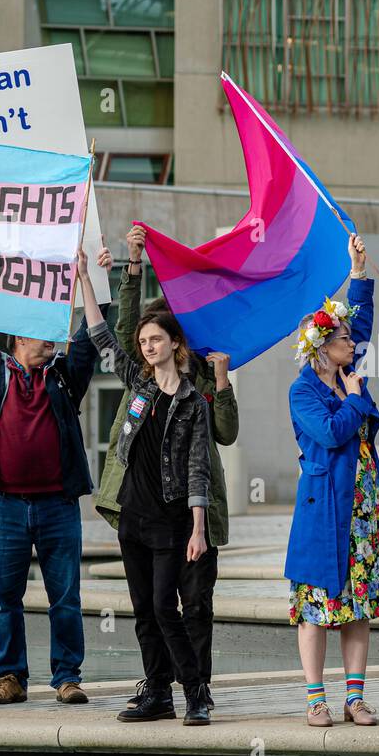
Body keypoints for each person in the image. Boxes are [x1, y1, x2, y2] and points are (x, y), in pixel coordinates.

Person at [0, 266, 105, 705]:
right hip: (5, 507)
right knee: (4, 595)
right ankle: (10, 678)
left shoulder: (65, 376)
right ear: (18, 338)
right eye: (42, 330)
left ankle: (67, 677)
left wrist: (92, 277)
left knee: (64, 595)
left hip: (57, 507)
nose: (52, 336)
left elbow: (91, 333)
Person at [95, 226, 238, 716]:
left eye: (158, 338)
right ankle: (159, 691)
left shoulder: (197, 393)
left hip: (181, 517)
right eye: (145, 339)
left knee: (182, 606)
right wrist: (126, 268)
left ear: (177, 342)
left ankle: (196, 690)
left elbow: (215, 446)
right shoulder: (139, 382)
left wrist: (221, 381)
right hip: (135, 515)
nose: (149, 345)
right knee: (146, 610)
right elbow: (109, 338)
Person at [285, 234, 379, 727]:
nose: (353, 341)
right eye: (343, 338)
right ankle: (315, 698)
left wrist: (358, 271)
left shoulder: (348, 372)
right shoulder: (303, 391)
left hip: (362, 506)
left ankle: (355, 697)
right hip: (323, 509)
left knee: (357, 604)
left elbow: (361, 321)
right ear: (323, 349)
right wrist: (354, 399)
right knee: (316, 606)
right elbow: (329, 433)